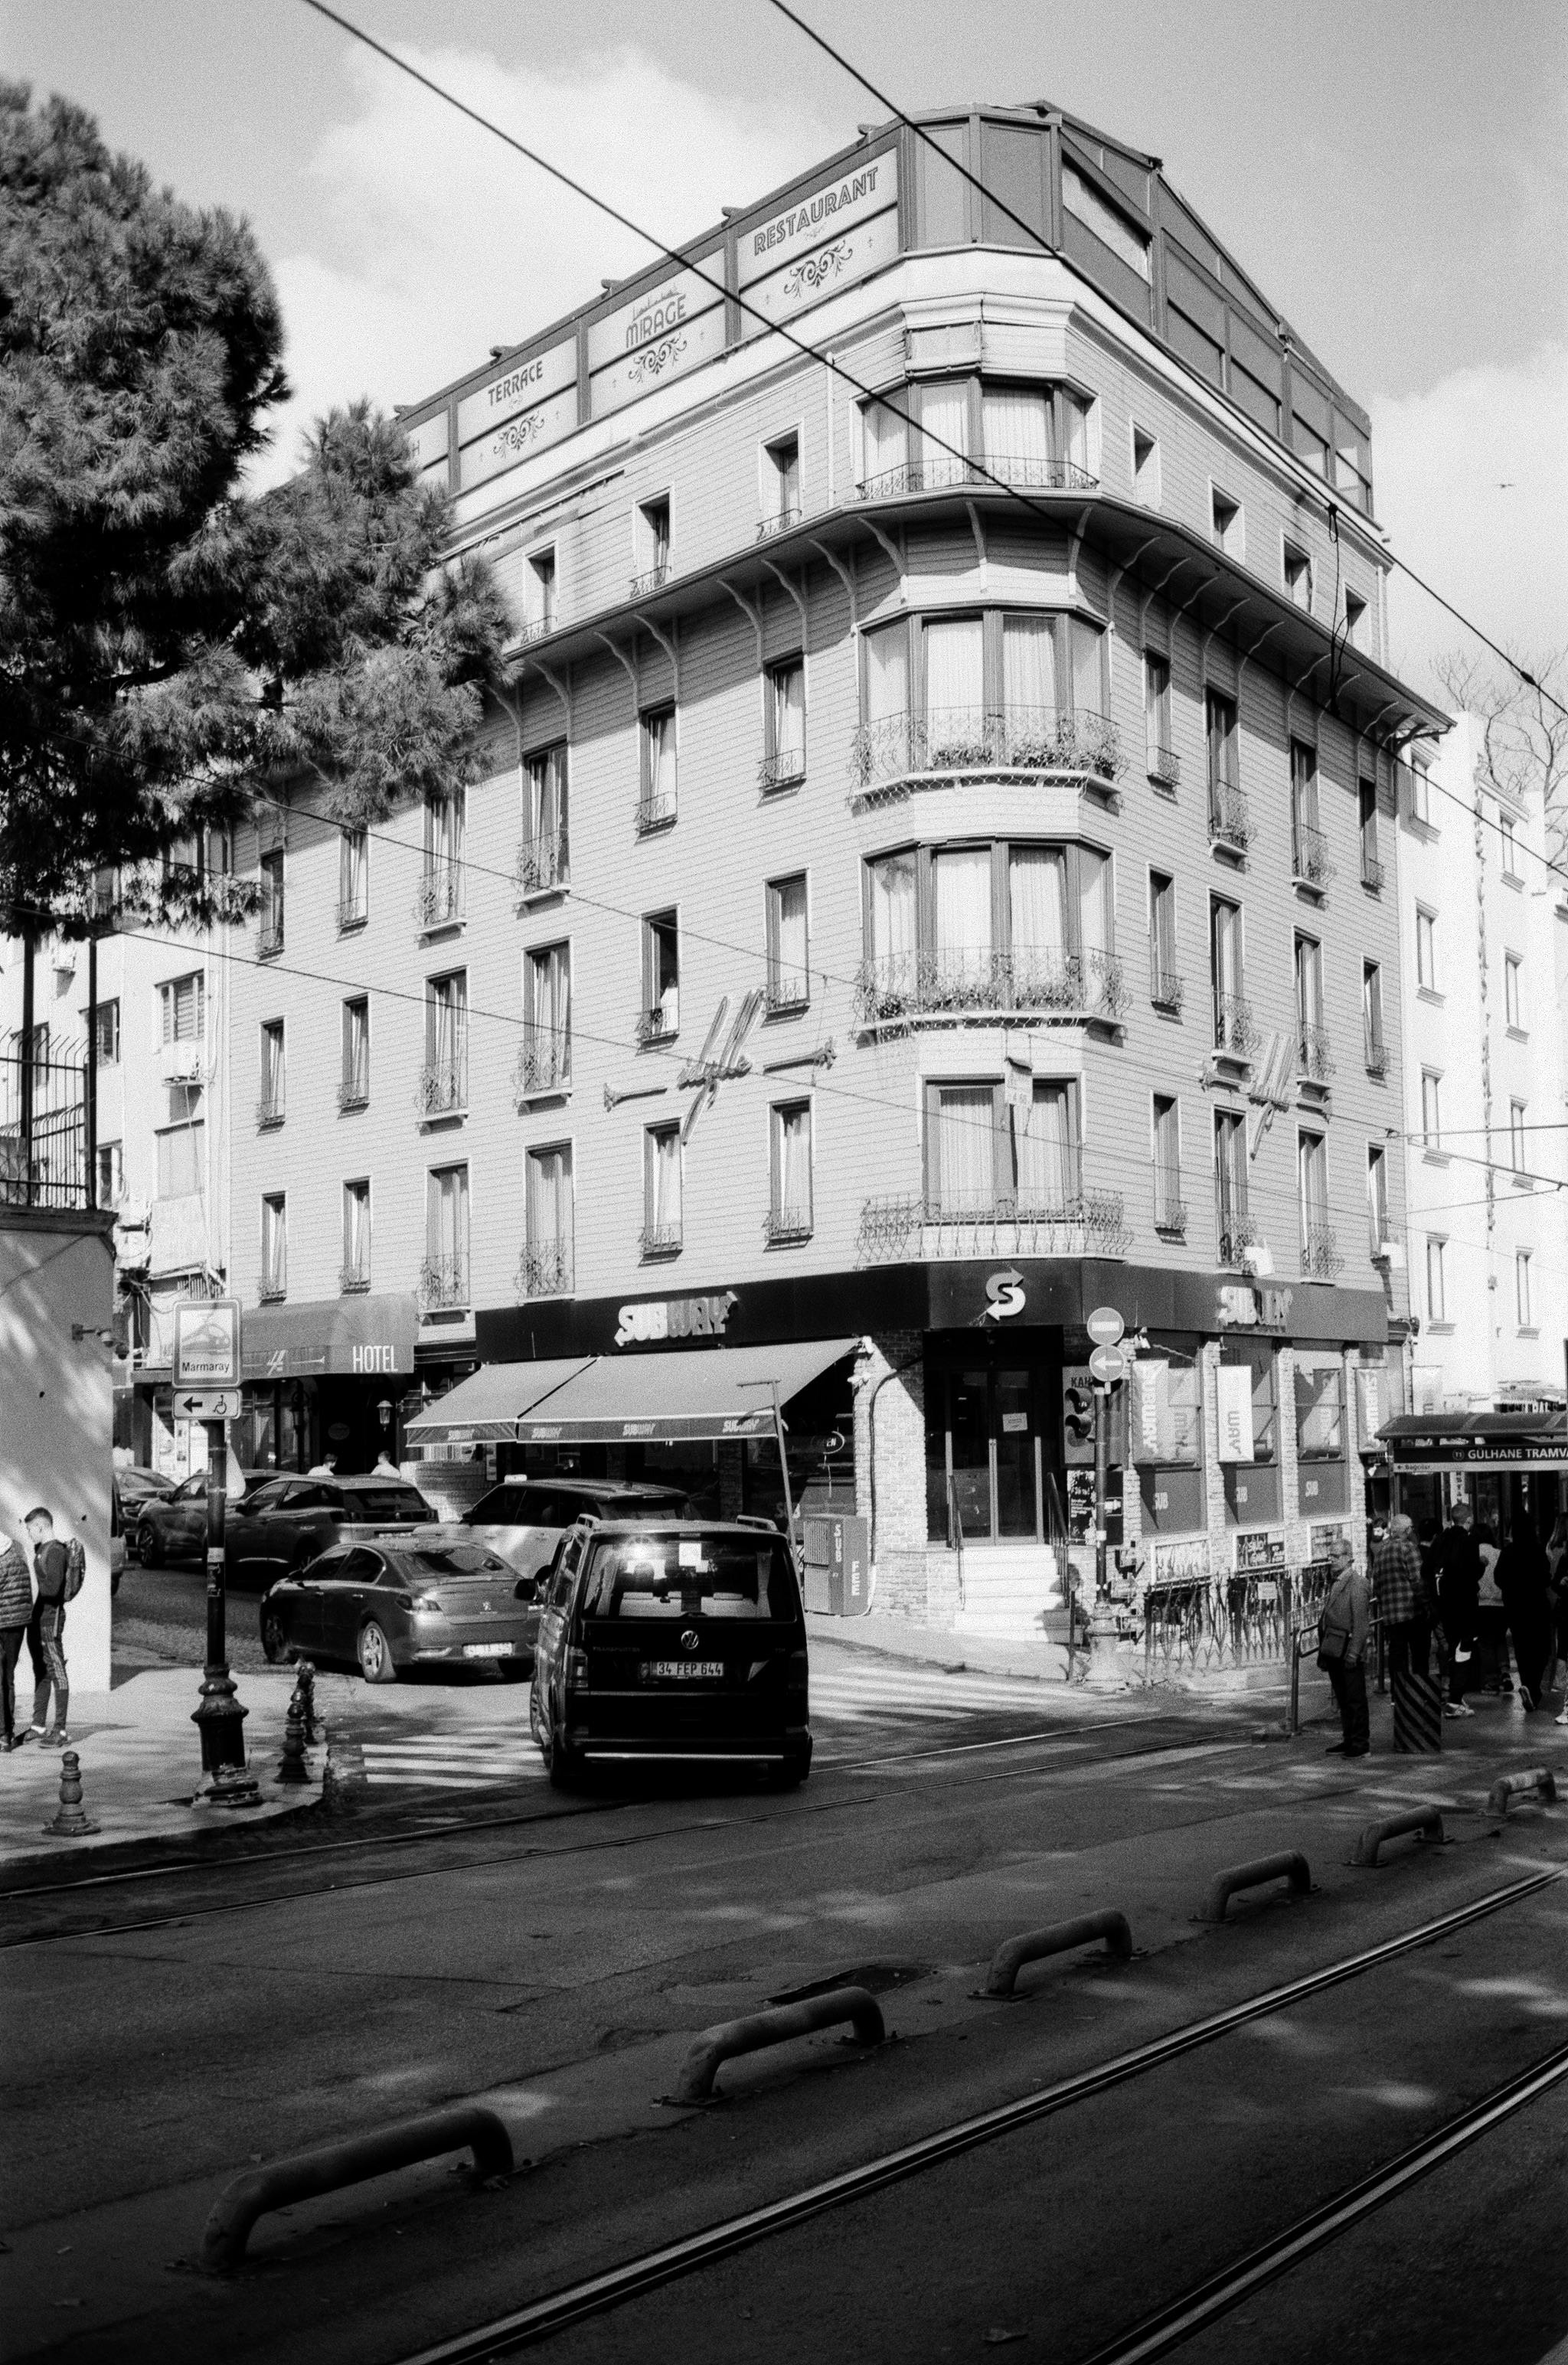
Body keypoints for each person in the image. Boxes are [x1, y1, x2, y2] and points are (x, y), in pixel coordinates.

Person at [1495, 1513, 1553, 1712]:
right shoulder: (1537, 1551)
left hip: (1515, 1608)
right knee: (1541, 1647)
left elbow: (1499, 1579)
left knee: (1522, 1648)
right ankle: (1534, 1686)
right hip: (1537, 1606)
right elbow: (1546, 1578)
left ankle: (1527, 1684)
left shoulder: (1508, 1552)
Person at [23, 1505, 71, 1746]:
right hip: (38, 1620)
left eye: (31, 1530)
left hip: (50, 1621)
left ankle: (60, 1730)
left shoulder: (56, 1552)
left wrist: (38, 1567)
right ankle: (38, 1725)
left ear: (40, 1526)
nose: (30, 1535)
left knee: (57, 1673)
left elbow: (52, 1589)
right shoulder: (43, 1550)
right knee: (41, 1672)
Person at [1318, 1535, 1370, 1757]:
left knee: (1354, 1697)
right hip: (1334, 1647)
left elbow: (1360, 1623)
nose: (1332, 1560)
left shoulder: (1357, 1584)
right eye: (1330, 1555)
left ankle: (1360, 1742)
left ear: (1349, 1558)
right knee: (1343, 1697)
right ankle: (1349, 1738)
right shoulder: (1337, 1581)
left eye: (1337, 1556)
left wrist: (1354, 1652)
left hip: (1348, 1647)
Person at [1432, 1498, 1483, 1717]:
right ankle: (1454, 1700)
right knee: (1464, 1651)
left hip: (1444, 1606)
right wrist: (1481, 1565)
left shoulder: (1442, 1539)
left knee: (1452, 1649)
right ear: (1469, 1520)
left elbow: (1429, 1569)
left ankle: (1454, 1694)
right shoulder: (1468, 1541)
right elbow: (1470, 1573)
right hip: (1464, 1605)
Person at [1371, 1511, 1432, 1681]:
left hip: (1391, 1614)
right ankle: (1421, 1689)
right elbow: (1417, 1581)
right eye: (1411, 1528)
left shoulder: (1381, 1552)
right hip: (1412, 1611)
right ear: (1406, 1530)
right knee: (1420, 1654)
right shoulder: (1409, 1548)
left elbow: (1376, 1585)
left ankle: (1398, 1693)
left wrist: (1385, 1604)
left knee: (1397, 1655)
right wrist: (1426, 1605)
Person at [0, 1530, 32, 1751]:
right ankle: (7, 1734)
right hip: (18, 1623)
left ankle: (3, 1732)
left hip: (2, 1622)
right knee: (8, 1677)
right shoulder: (16, 1550)